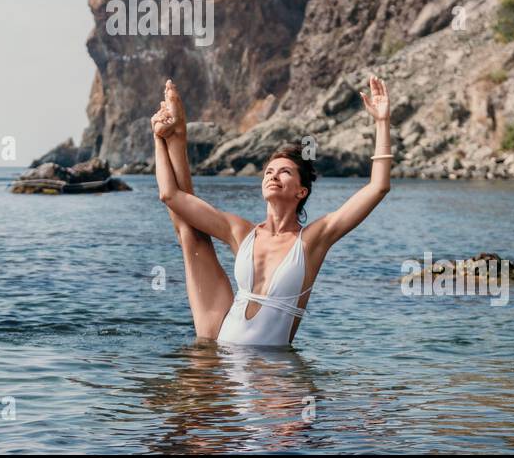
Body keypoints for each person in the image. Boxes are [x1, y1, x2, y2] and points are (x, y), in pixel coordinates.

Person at [152, 76, 393, 346]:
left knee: (191, 235)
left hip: (272, 377)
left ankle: (178, 134)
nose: (273, 176)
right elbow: (170, 195)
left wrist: (382, 122)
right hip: (221, 352)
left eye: (285, 172)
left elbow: (378, 187)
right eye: (269, 171)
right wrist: (158, 139)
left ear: (301, 191)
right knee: (190, 235)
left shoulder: (313, 240)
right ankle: (177, 135)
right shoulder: (241, 231)